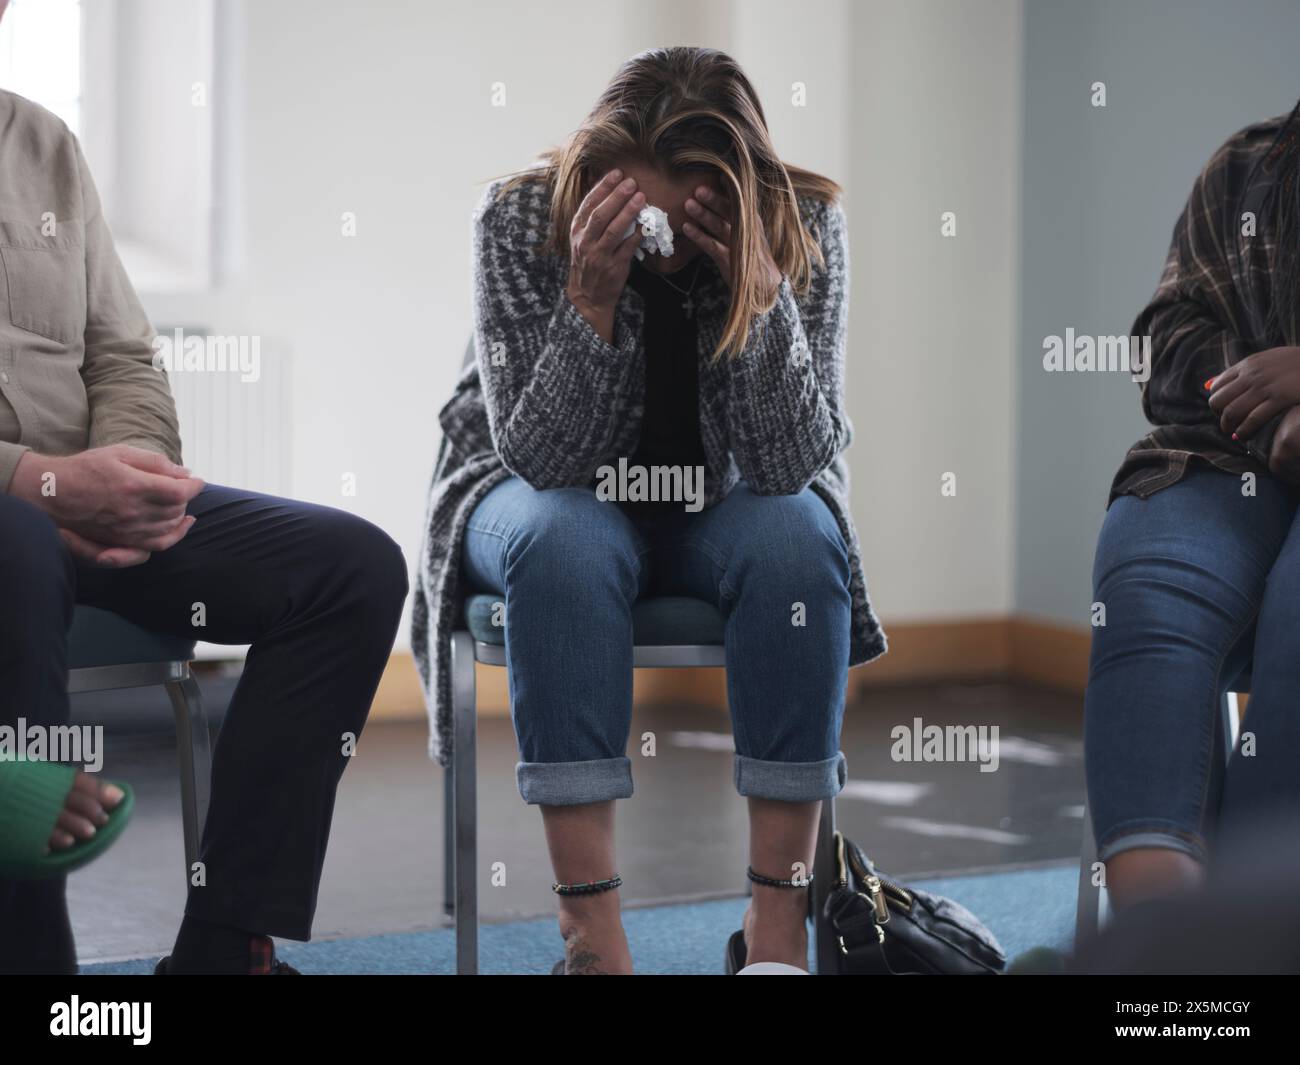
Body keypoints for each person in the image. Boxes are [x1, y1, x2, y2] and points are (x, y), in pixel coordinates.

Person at [412, 46, 886, 974]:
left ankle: (777, 932)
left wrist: (761, 296)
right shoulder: (519, 217)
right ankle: (594, 937)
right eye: (634, 216)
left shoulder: (806, 224)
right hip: (542, 493)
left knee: (802, 537)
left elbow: (792, 462)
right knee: (565, 541)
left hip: (735, 499)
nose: (658, 248)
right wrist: (589, 298)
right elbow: (542, 460)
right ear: (593, 177)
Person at [0, 77, 408, 974]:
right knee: (19, 541)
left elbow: (123, 353)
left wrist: (126, 476)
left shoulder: (45, 145)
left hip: (91, 505)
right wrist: (39, 485)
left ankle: (227, 950)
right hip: (16, 525)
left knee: (352, 568)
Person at [1084, 100, 1300, 914]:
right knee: (1147, 595)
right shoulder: (1247, 167)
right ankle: (1167, 951)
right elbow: (1165, 345)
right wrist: (1270, 402)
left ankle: (1260, 932)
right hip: (1222, 458)